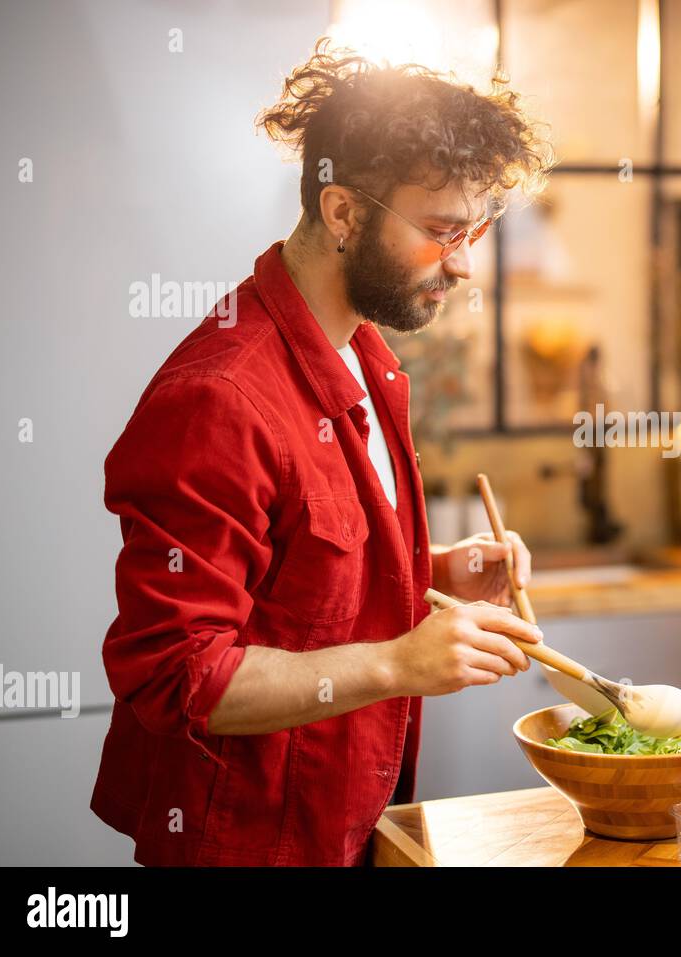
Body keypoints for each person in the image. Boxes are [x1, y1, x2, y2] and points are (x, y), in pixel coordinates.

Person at [91, 40, 552, 865]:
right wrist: (395, 661)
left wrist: (436, 572)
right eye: (443, 231)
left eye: (474, 230)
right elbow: (174, 674)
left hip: (346, 822)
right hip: (249, 842)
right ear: (343, 212)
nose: (467, 264)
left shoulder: (364, 355)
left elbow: (298, 574)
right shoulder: (219, 399)